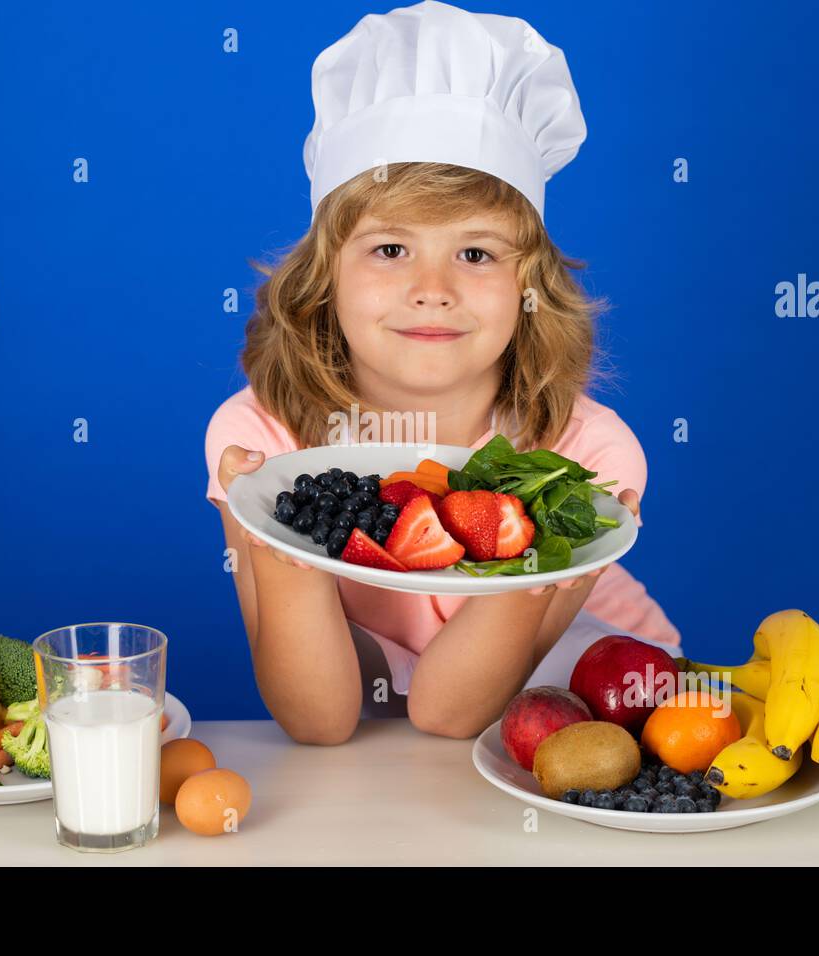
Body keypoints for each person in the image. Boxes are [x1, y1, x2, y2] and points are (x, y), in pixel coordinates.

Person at [205, 0, 680, 744]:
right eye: (390, 249)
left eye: (477, 253)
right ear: (325, 277)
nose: (434, 287)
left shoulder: (587, 458)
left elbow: (449, 714)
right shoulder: (258, 437)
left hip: (585, 696)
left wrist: (561, 551)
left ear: (531, 286)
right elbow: (320, 721)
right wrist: (271, 518)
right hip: (381, 742)